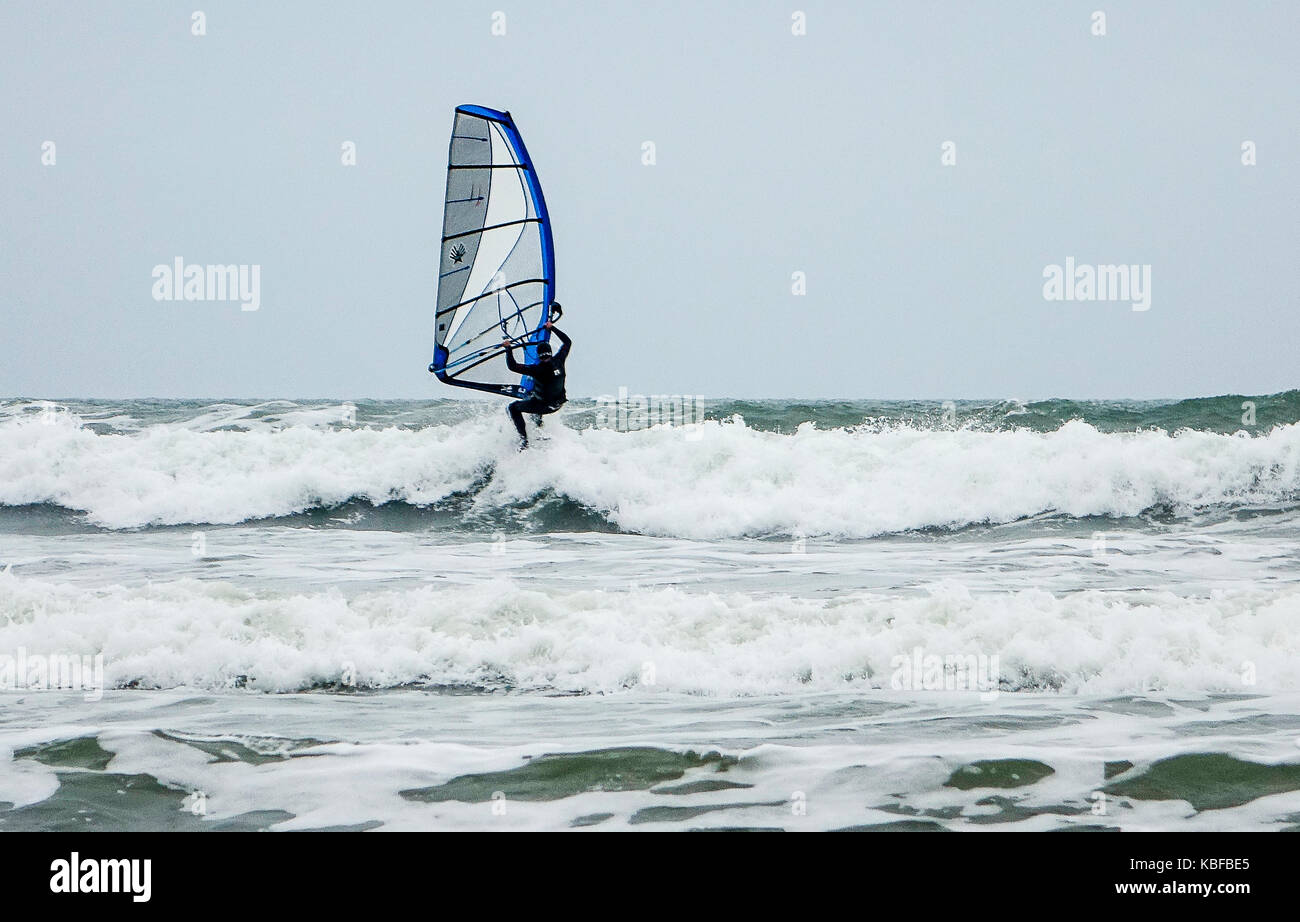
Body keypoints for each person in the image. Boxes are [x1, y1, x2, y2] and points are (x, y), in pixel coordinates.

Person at [502, 316, 570, 449]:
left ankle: (524, 440)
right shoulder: (559, 360)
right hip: (558, 404)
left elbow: (512, 366)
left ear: (538, 356)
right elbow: (567, 342)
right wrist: (552, 327)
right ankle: (538, 430)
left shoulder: (537, 369)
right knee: (534, 397)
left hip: (544, 406)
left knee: (513, 408)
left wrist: (508, 348)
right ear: (550, 353)